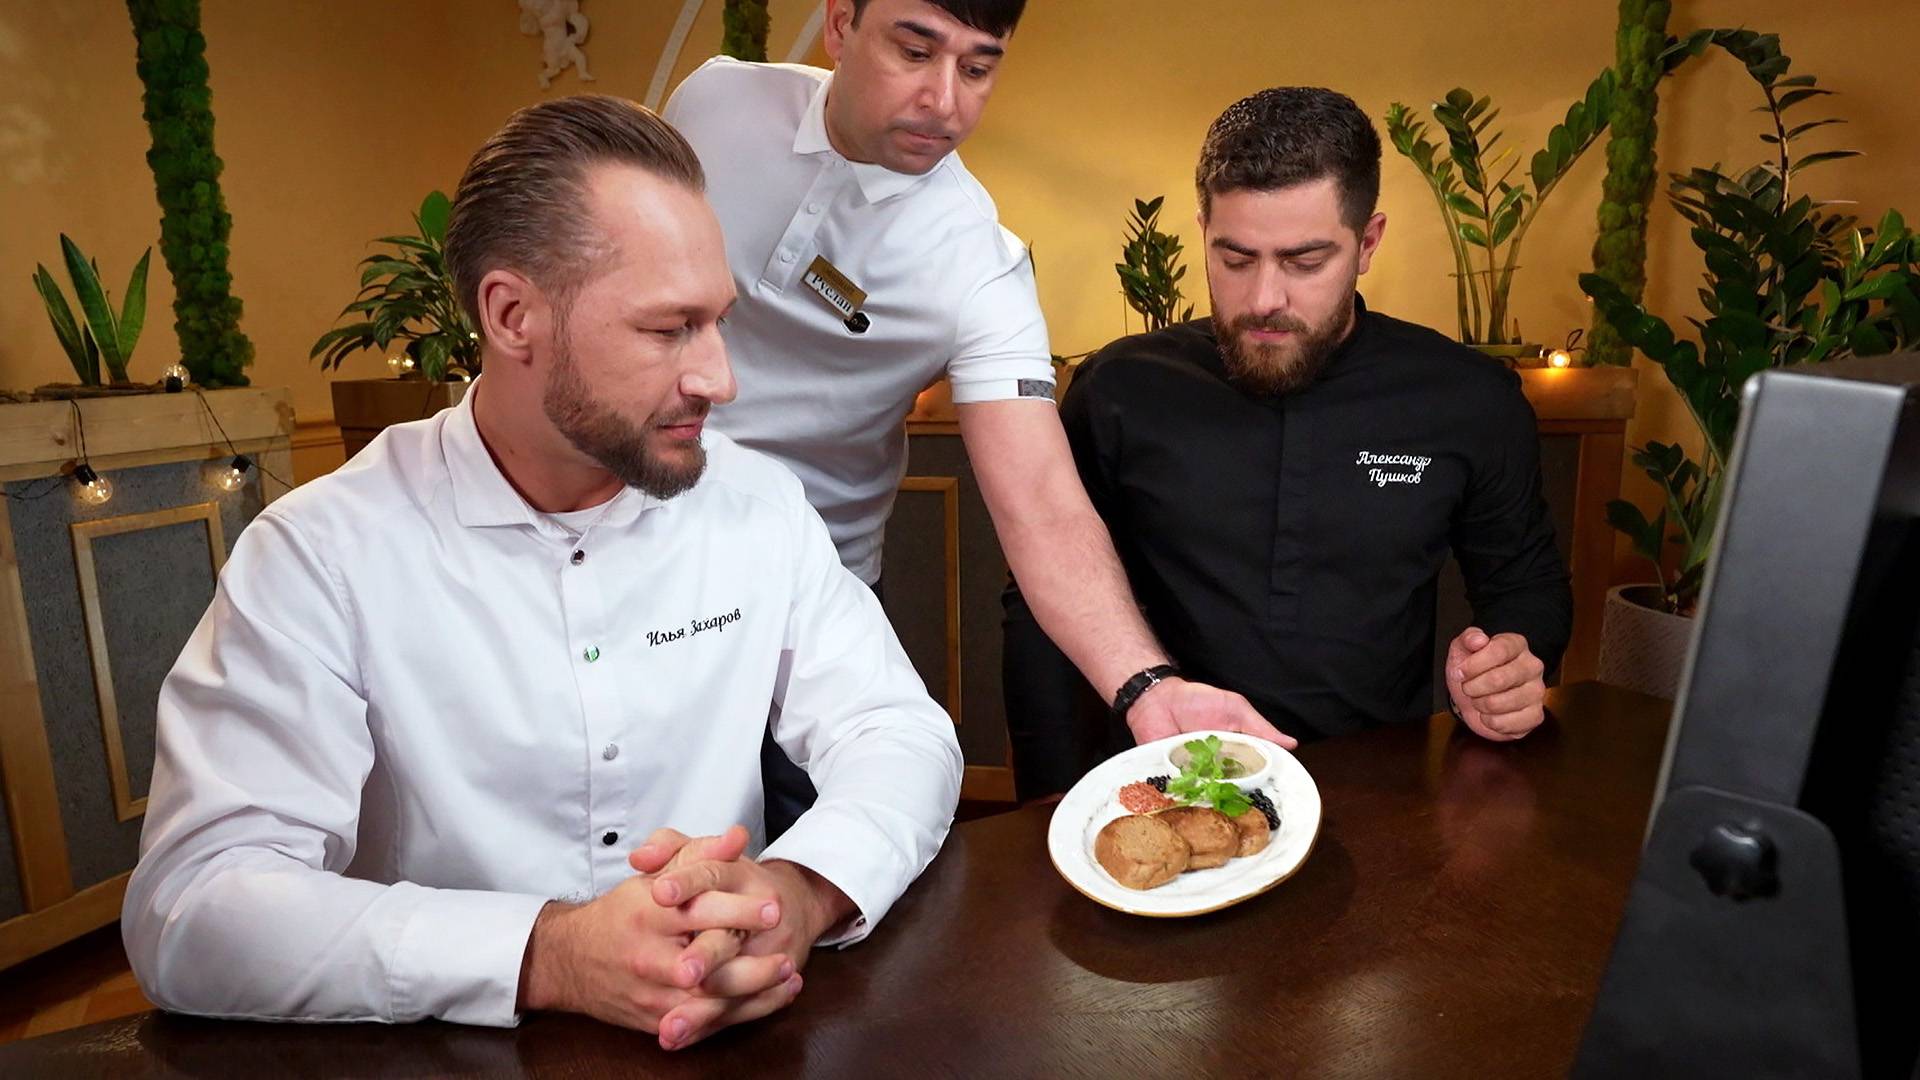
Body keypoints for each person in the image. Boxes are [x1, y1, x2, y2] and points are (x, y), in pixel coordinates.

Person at [121, 95, 962, 1053]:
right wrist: (548, 952)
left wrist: (795, 895)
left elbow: (898, 730)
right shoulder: (321, 553)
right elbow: (193, 907)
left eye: (717, 322)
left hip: (736, 1039)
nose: (721, 379)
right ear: (513, 315)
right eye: (669, 329)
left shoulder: (758, 506)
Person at [662, 0, 1294, 831]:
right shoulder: (714, 104)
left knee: (805, 851)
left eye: (977, 67)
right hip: (625, 547)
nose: (945, 101)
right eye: (914, 51)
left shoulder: (979, 267)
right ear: (841, 25)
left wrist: (1147, 685)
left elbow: (1041, 498)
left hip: (810, 595)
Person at [1004, 87, 1573, 795]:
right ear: (1203, 231)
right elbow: (1040, 605)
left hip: (1381, 786)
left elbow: (1526, 585)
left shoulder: (1468, 397)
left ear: (1367, 243)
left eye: (1305, 261)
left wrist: (1512, 663)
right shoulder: (1121, 387)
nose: (1265, 299)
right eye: (1236, 258)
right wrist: (1050, 800)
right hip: (1168, 782)